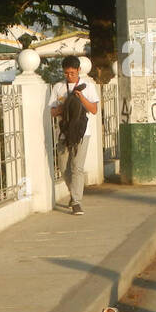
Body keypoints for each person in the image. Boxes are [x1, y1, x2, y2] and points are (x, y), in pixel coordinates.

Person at [49, 56, 99, 215]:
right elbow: (52, 111)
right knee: (64, 168)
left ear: (78, 70)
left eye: (72, 73)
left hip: (82, 133)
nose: (69, 76)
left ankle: (77, 202)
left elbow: (94, 110)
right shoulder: (58, 87)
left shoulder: (88, 87)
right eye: (66, 73)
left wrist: (80, 97)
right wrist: (65, 106)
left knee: (77, 167)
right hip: (63, 132)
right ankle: (73, 194)